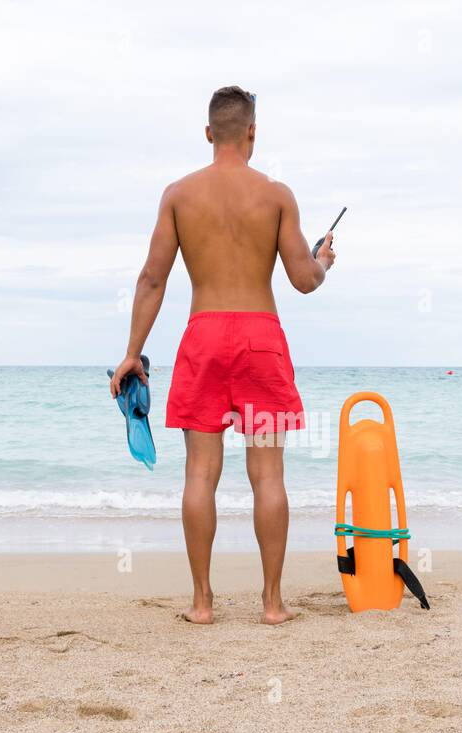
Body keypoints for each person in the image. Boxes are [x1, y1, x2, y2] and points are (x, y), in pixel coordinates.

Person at [110, 85, 337, 625]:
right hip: (261, 337)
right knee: (268, 476)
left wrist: (132, 355)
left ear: (209, 133)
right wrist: (323, 259)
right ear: (252, 133)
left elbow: (152, 279)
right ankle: (273, 605)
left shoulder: (179, 195)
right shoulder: (278, 195)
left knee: (200, 475)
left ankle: (202, 603)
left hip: (204, 335)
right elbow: (303, 280)